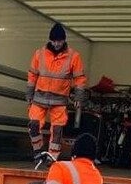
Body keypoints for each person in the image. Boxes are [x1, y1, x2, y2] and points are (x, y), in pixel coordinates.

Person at [26, 22, 86, 165]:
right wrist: (29, 94)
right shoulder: (39, 54)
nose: (57, 43)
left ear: (64, 40)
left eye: (59, 40)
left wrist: (78, 97)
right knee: (33, 125)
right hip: (39, 97)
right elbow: (32, 75)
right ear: (50, 40)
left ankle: (52, 158)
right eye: (54, 40)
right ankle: (38, 152)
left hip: (59, 100)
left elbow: (79, 78)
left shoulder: (73, 56)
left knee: (57, 130)